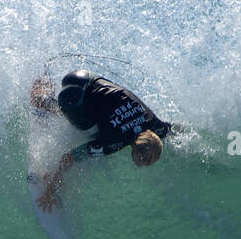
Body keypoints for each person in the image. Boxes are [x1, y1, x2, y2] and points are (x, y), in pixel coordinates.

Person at [31, 70, 174, 212]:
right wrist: (51, 188)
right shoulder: (114, 142)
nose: (140, 164)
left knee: (98, 118)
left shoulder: (154, 124)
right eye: (142, 161)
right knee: (92, 137)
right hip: (71, 97)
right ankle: (42, 102)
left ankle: (43, 81)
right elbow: (69, 158)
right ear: (137, 152)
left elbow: (175, 130)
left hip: (82, 77)